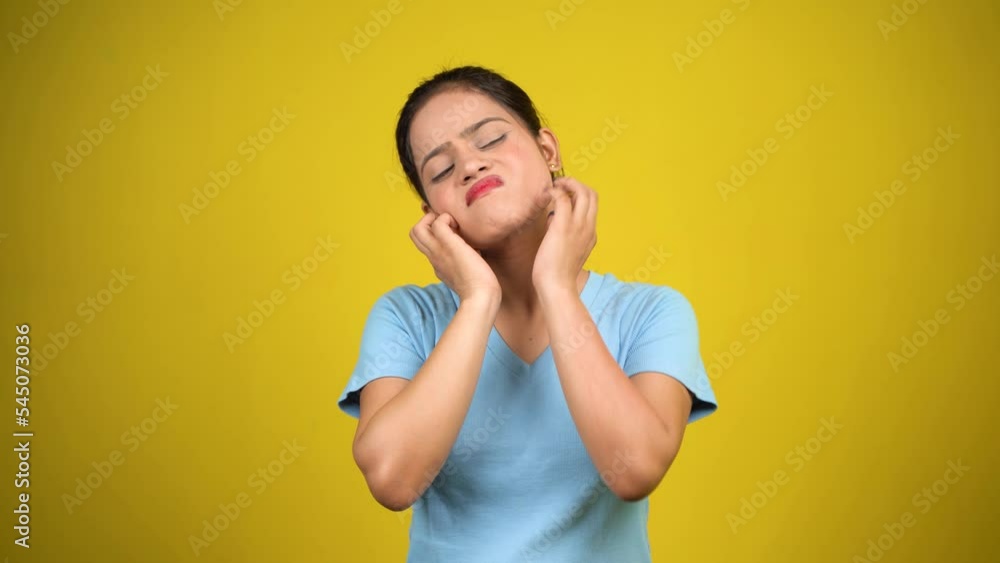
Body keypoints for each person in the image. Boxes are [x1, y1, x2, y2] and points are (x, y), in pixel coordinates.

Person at [337, 65, 719, 562]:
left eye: (490, 139)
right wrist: (476, 300)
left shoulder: (651, 312)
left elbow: (634, 471)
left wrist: (557, 286)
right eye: (440, 170)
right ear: (431, 210)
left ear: (548, 151)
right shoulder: (407, 317)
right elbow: (392, 480)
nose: (470, 166)